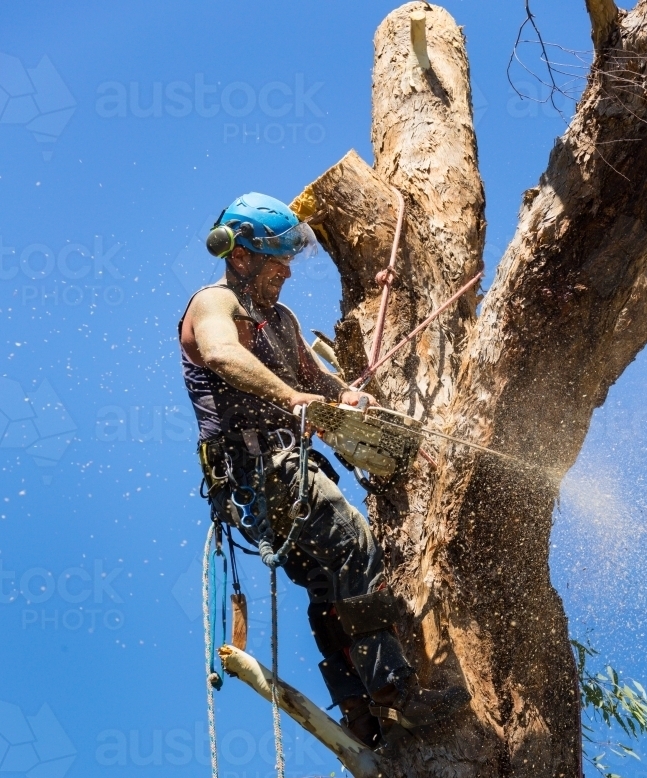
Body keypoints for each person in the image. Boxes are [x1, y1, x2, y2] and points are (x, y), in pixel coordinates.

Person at [179, 192, 469, 747]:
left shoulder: (281, 319)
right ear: (240, 257)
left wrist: (348, 399)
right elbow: (221, 354)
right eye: (277, 258)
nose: (288, 269)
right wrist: (292, 398)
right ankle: (396, 689)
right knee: (353, 542)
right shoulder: (214, 304)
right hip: (258, 471)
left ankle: (363, 717)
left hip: (285, 473)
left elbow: (320, 384)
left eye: (291, 257)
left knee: (327, 587)